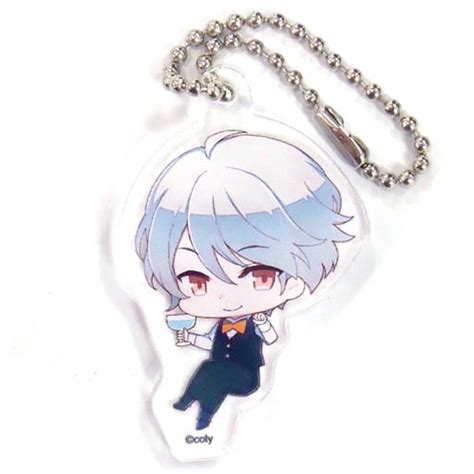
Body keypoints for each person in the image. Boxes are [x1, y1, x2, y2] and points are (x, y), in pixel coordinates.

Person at [135, 130, 353, 430]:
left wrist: (263, 321)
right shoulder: (221, 326)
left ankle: (201, 415)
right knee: (209, 370)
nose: (226, 296)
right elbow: (207, 343)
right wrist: (189, 339)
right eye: (196, 281)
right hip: (221, 370)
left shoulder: (252, 325)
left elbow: (273, 339)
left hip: (246, 376)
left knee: (213, 373)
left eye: (260, 276)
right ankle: (189, 408)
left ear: (293, 279)